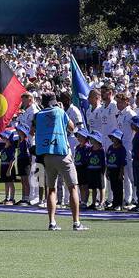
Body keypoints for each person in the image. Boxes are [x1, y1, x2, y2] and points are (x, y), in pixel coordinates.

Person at [34, 91, 84, 231]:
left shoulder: (38, 115)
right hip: (62, 152)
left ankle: (52, 222)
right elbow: (72, 127)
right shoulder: (60, 111)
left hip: (47, 154)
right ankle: (76, 222)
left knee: (51, 189)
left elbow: (33, 130)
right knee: (72, 187)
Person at [105, 129, 127, 212]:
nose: (114, 139)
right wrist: (107, 171)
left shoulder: (122, 149)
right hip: (111, 170)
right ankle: (114, 203)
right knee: (113, 188)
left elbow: (122, 163)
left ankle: (119, 204)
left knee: (119, 188)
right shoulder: (110, 147)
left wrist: (121, 173)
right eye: (112, 137)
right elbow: (107, 160)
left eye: (115, 138)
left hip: (118, 170)